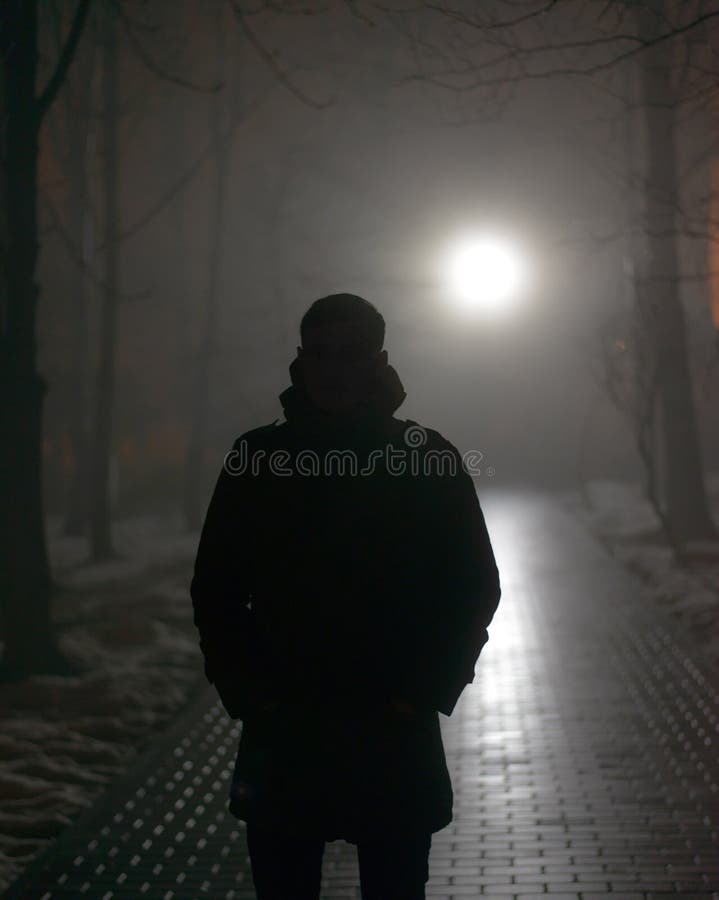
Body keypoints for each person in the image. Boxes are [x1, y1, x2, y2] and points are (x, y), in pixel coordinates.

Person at [190, 293, 501, 899]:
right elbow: (217, 588)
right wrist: (254, 693)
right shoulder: (260, 459)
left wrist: (421, 692)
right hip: (297, 729)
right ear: (300, 361)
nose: (333, 369)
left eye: (349, 354)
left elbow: (472, 586)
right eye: (321, 354)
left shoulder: (422, 458)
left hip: (379, 726)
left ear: (378, 361)